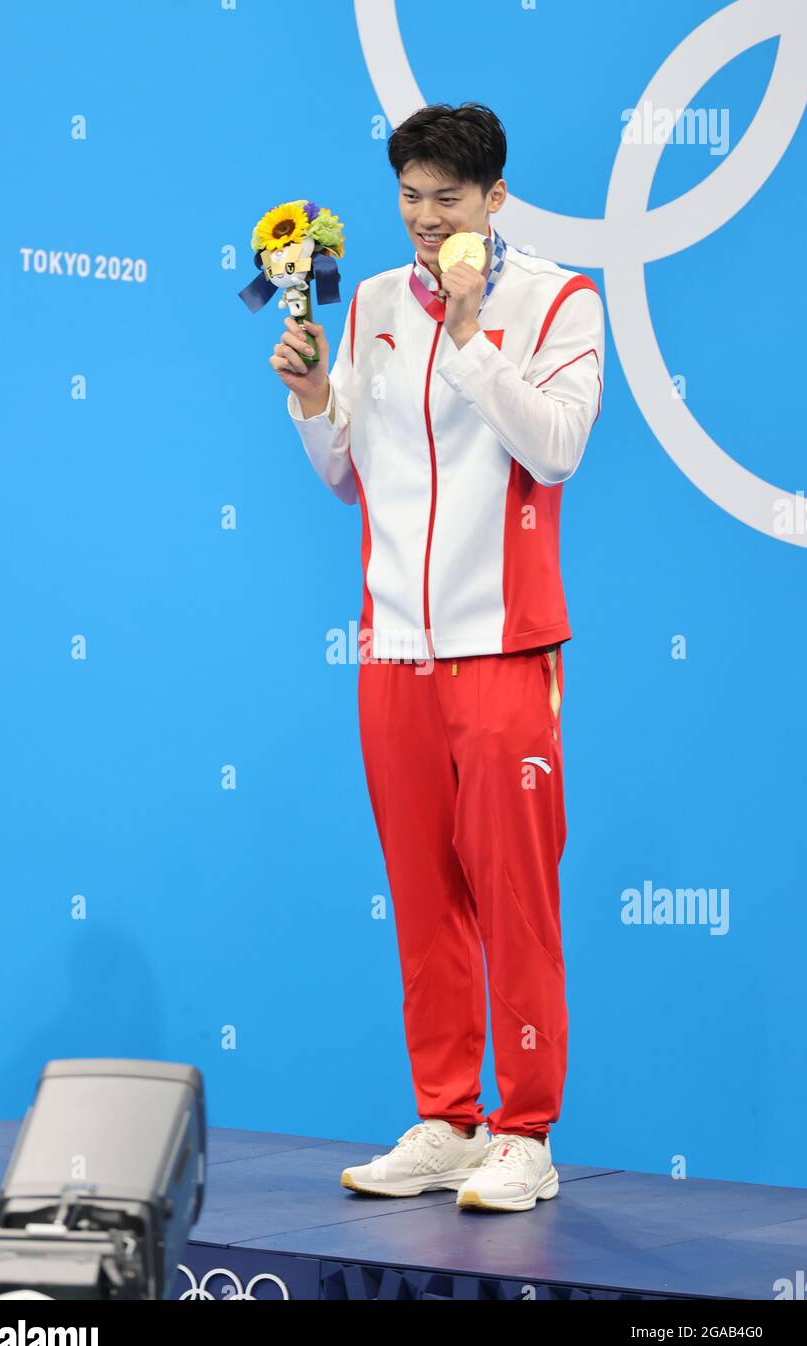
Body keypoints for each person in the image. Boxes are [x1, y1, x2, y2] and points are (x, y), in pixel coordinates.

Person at [269, 103, 604, 1213]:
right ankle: (448, 1115)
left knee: (513, 893)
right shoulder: (363, 302)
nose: (421, 219)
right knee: (422, 895)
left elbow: (553, 450)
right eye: (408, 197)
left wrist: (466, 338)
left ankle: (525, 1132)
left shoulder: (557, 299)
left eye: (445, 200)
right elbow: (343, 473)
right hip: (392, 650)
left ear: (494, 199)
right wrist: (313, 395)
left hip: (505, 645)